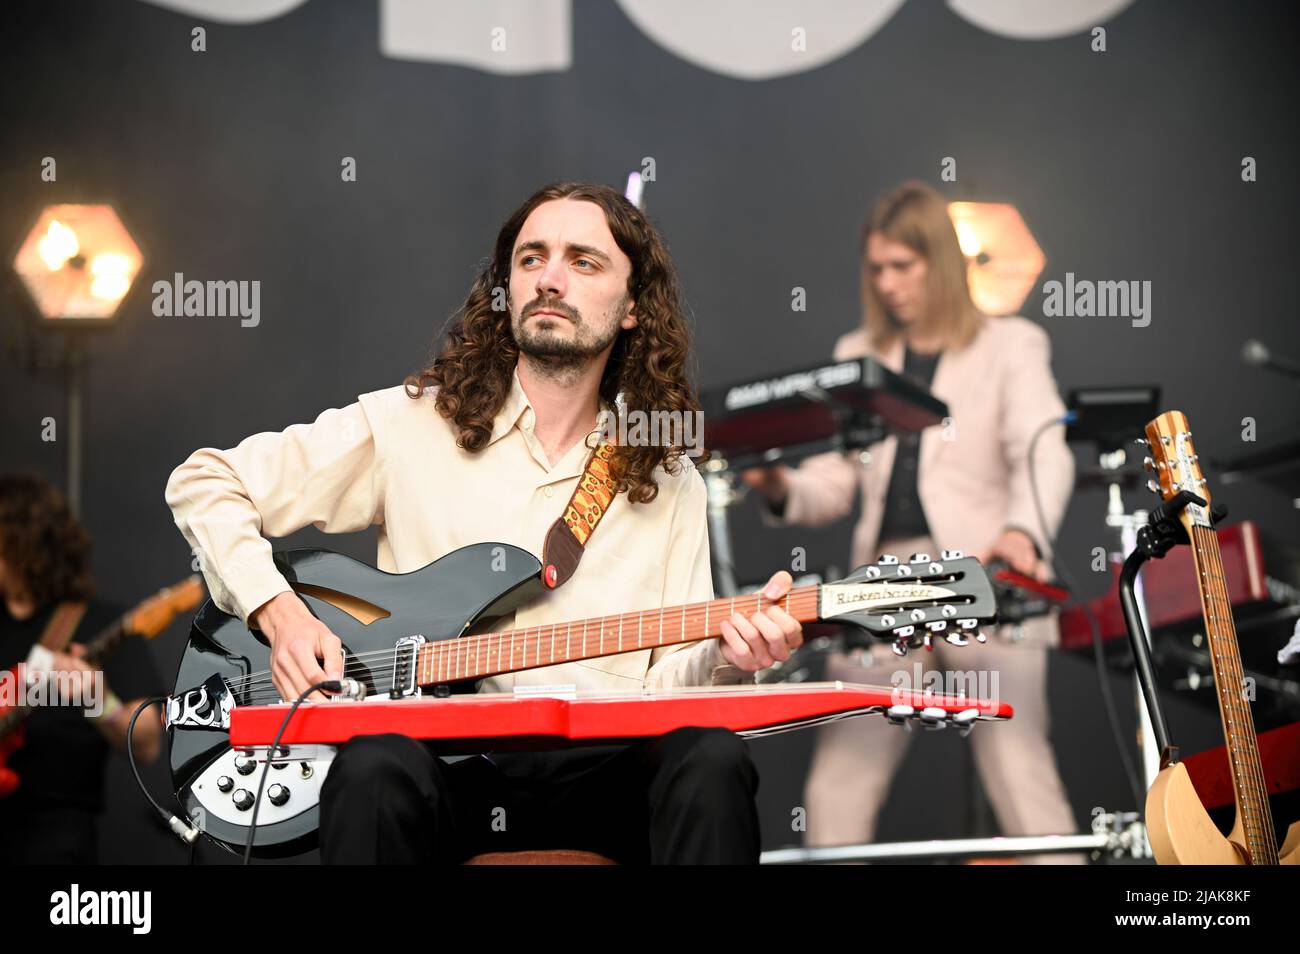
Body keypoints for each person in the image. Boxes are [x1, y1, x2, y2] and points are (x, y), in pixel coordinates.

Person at [166, 181, 804, 864]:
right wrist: (281, 614)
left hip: (606, 777)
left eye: (583, 262)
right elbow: (205, 480)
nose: (550, 279)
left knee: (709, 758)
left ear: (631, 310)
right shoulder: (412, 426)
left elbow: (669, 686)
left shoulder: (663, 471)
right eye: (531, 259)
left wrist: (727, 658)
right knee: (374, 766)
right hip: (448, 772)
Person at [745, 181, 1082, 862]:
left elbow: (1044, 450)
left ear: (943, 262)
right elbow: (836, 487)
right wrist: (780, 485)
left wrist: (1023, 533)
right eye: (877, 269)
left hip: (984, 573)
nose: (889, 283)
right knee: (837, 789)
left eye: (905, 265)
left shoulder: (1010, 343)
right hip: (885, 579)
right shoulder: (859, 349)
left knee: (1022, 779)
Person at [0, 473, 163, 865]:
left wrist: (97, 700)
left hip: (54, 836)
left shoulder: (95, 624)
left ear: (20, 540)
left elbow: (147, 744)